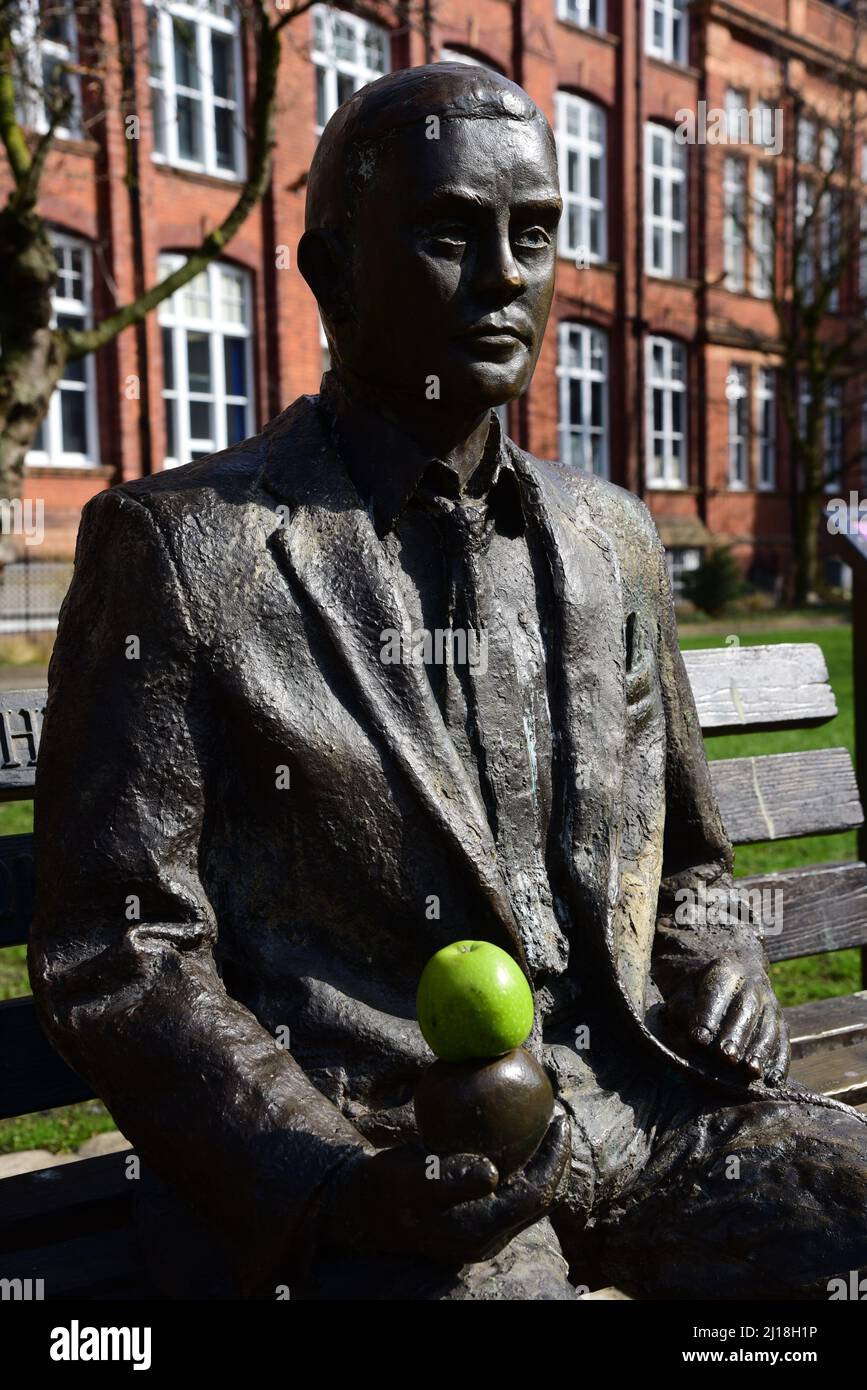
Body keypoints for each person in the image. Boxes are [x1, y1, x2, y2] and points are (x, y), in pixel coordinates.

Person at [29, 64, 867, 1301]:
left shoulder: (612, 540)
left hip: (632, 1105)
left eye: (534, 235)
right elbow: (121, 945)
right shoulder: (182, 547)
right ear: (332, 274)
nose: (505, 277)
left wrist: (719, 960)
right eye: (448, 235)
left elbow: (688, 863)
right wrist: (316, 1181)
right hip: (375, 1146)